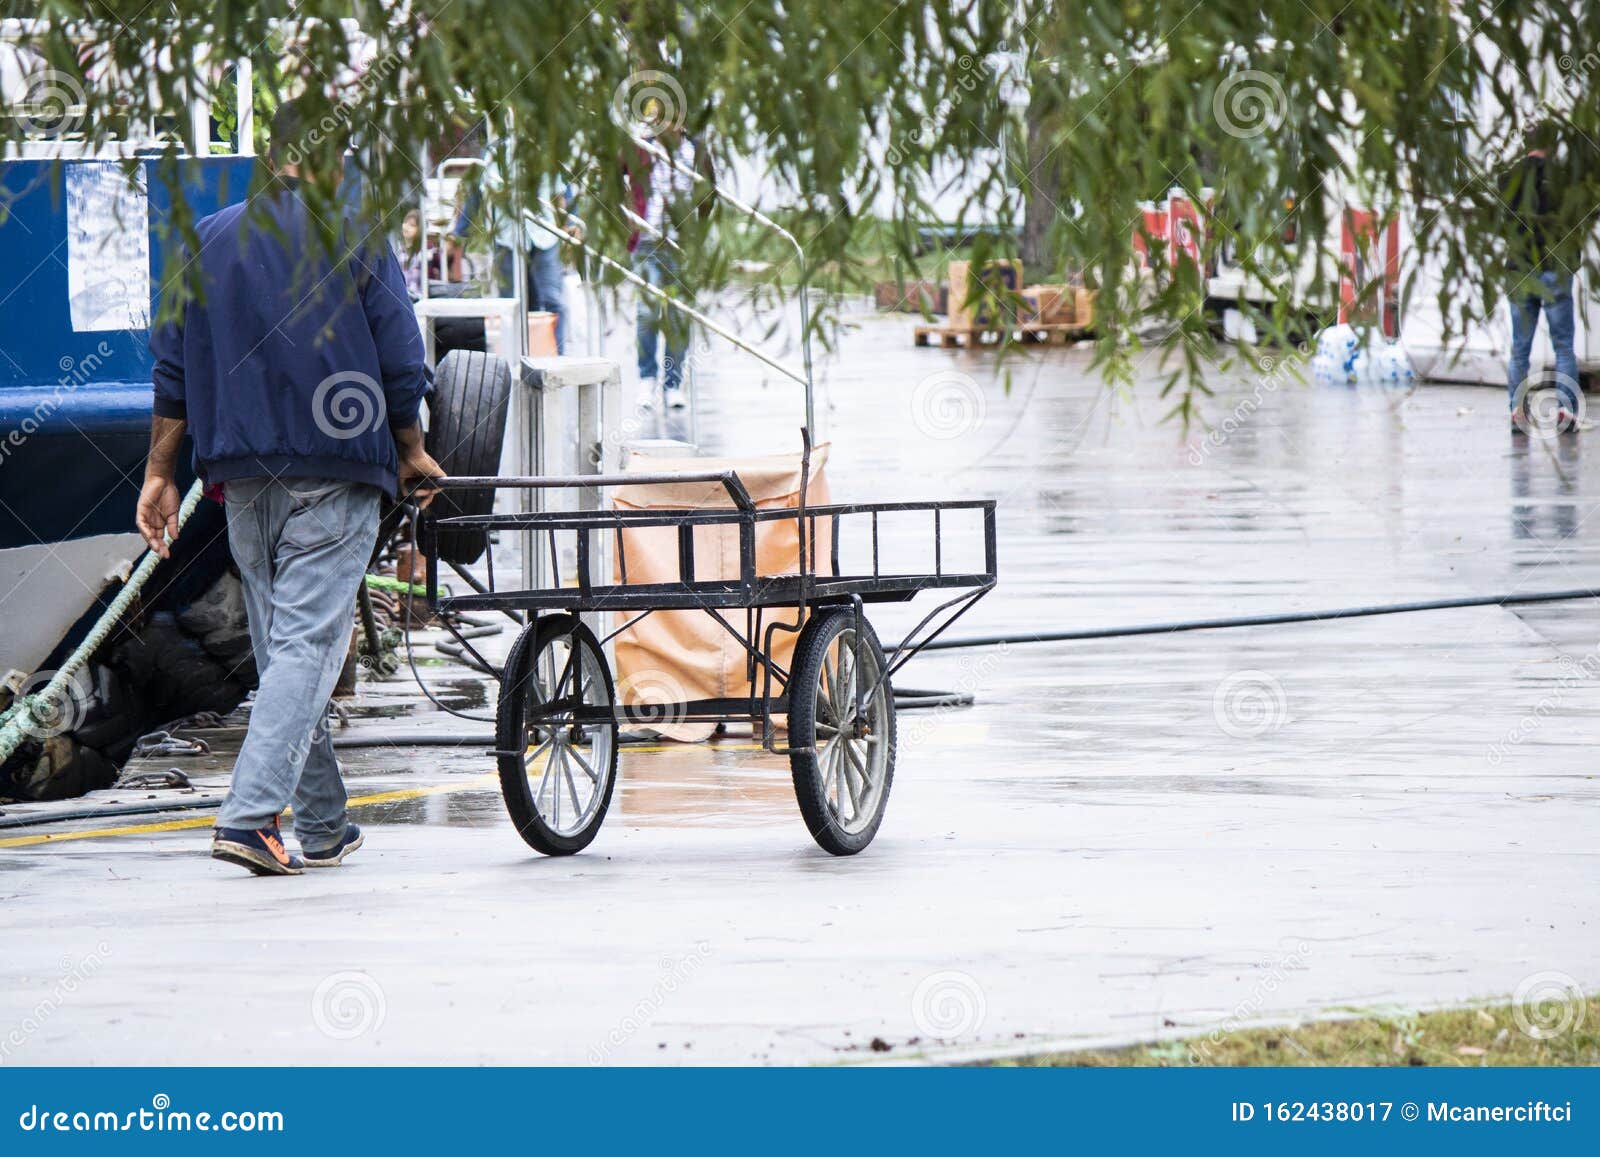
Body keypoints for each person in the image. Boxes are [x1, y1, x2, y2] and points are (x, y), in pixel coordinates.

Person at [137, 98, 444, 876]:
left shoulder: (206, 241)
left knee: (286, 652)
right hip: (333, 474)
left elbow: (171, 371)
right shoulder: (357, 234)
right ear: (336, 161)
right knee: (306, 647)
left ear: (270, 157)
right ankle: (246, 817)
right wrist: (410, 449)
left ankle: (325, 821)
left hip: (240, 481)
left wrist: (160, 474)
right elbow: (401, 361)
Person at [1501, 121, 1582, 432]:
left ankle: (1517, 412)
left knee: (1520, 347)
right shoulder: (1565, 182)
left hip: (1520, 271)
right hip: (1555, 270)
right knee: (1563, 345)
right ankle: (1567, 411)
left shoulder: (1508, 178)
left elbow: (1502, 225)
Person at [626, 128, 711, 410]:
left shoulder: (696, 150)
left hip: (681, 244)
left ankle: (673, 383)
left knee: (677, 316)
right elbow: (614, 170)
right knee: (648, 312)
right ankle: (647, 379)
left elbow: (709, 193)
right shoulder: (641, 146)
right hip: (647, 241)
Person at [452, 164, 578, 354]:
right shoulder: (497, 151)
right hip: (508, 236)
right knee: (512, 302)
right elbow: (479, 190)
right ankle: (516, 357)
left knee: (551, 299)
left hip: (545, 233)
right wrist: (460, 231)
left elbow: (564, 187)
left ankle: (555, 356)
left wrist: (572, 220)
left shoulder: (545, 147)